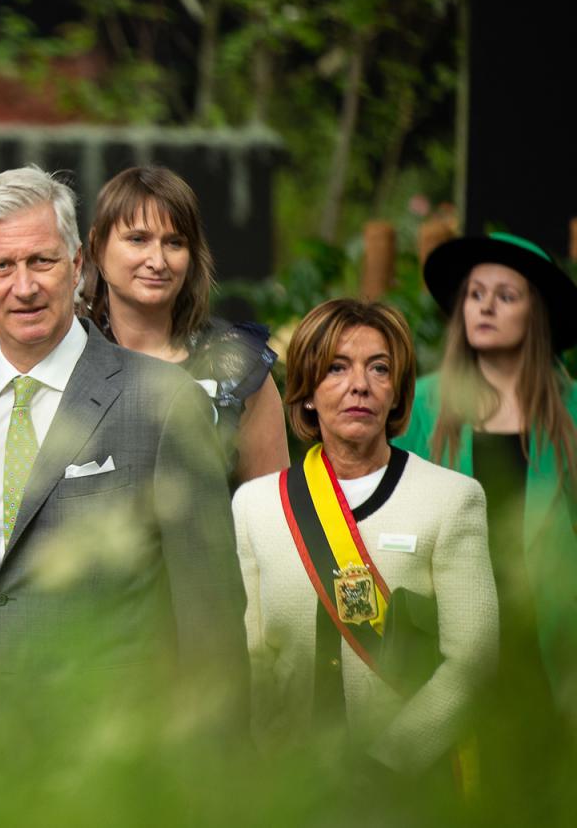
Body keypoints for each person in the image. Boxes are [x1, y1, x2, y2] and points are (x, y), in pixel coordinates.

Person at [0, 165, 246, 707]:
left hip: (111, 749)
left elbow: (210, 608)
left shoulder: (162, 399)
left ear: (75, 264)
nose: (25, 286)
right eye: (1, 266)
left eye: (41, 260)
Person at [234, 298, 498, 778]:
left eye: (379, 369)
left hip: (409, 784)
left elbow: (473, 662)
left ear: (396, 393)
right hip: (290, 785)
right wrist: (266, 765)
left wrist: (390, 764)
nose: (360, 385)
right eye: (336, 368)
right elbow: (254, 658)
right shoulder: (254, 506)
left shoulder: (453, 499)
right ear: (307, 393)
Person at [393, 233, 577, 784]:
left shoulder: (573, 411)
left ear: (536, 313)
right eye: (475, 294)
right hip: (448, 644)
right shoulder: (422, 404)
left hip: (550, 649)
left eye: (506, 295)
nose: (486, 306)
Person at [80, 166, 288, 485]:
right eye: (138, 239)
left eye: (174, 243)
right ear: (97, 246)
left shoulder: (236, 366)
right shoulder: (67, 357)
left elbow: (269, 511)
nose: (157, 261)